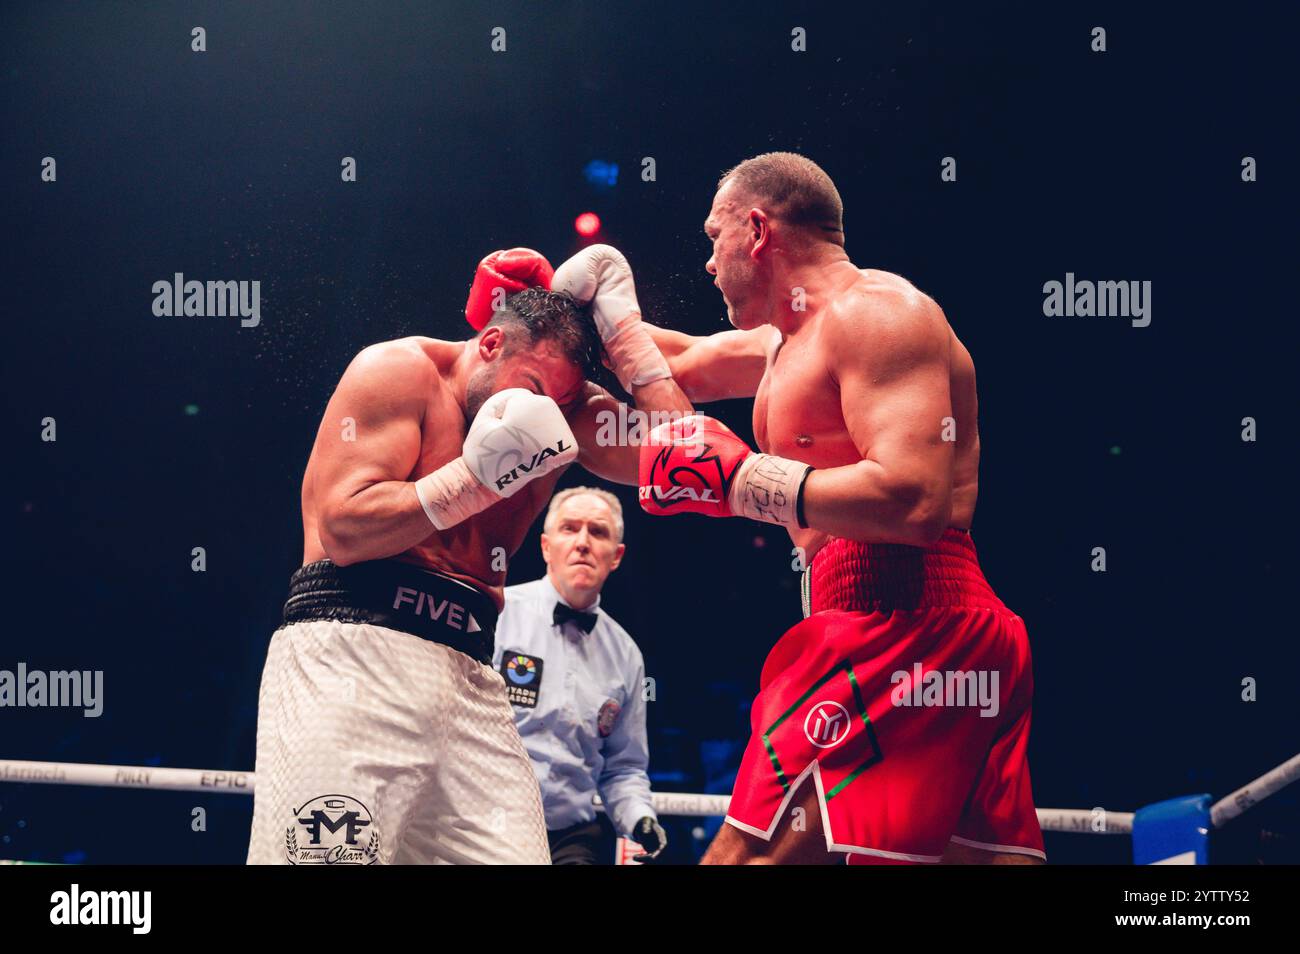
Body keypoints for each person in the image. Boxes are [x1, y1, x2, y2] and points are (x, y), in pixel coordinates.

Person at [637, 152, 1045, 865]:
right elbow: (669, 364)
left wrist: (743, 483)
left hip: (906, 618)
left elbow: (913, 500)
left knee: (749, 855)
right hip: (911, 628)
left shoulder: (876, 315)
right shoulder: (782, 344)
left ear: (757, 229)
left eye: (713, 235)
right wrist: (574, 314)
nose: (707, 262)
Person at [246, 244, 692, 864]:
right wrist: (472, 482)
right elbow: (344, 529)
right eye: (534, 387)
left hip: (472, 675)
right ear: (489, 345)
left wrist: (632, 344)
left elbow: (685, 464)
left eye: (560, 403)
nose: (543, 412)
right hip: (355, 650)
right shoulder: (398, 372)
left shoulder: (562, 421)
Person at [493, 486, 666, 865]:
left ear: (616, 556)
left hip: (571, 835)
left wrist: (641, 819)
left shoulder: (626, 655)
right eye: (570, 528)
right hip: (489, 821)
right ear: (545, 546)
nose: (583, 543)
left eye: (598, 532)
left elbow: (625, 766)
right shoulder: (498, 615)